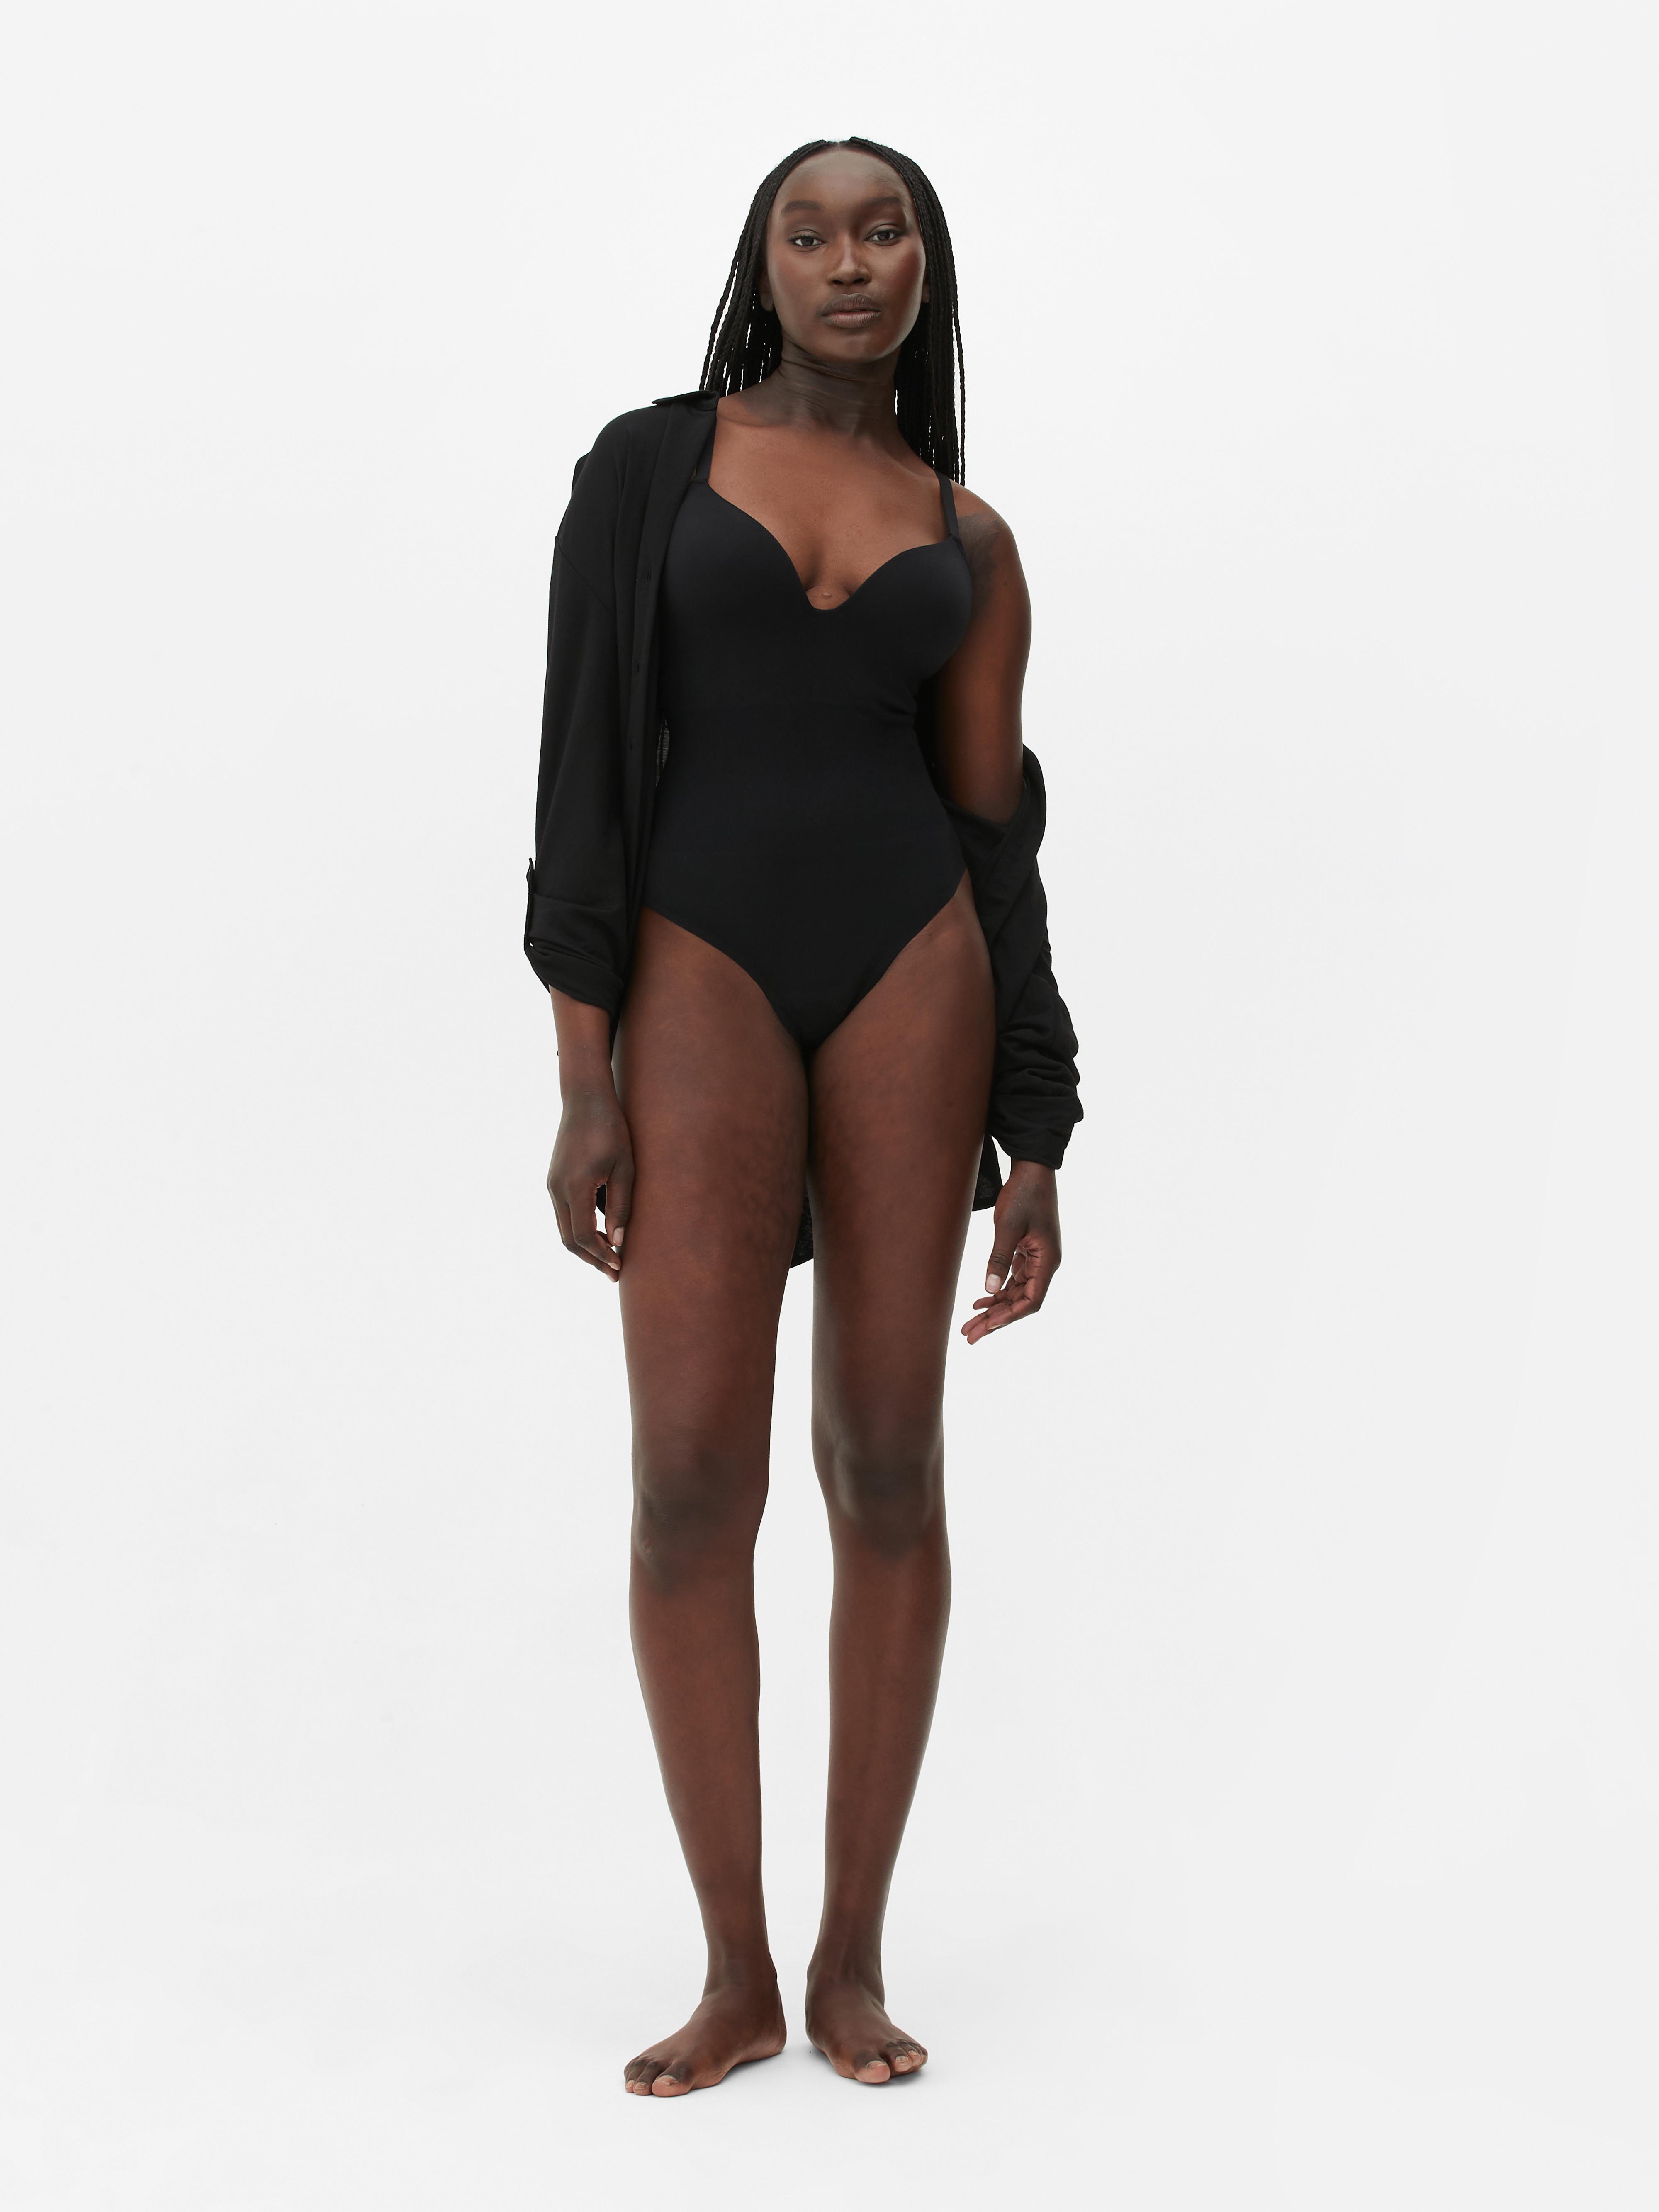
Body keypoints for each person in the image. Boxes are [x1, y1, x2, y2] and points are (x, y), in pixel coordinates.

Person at [523, 137, 1082, 2096]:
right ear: (761, 266)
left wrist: (1039, 1126)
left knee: (889, 1461)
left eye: (884, 229)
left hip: (913, 963)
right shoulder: (648, 471)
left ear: (925, 266)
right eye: (810, 231)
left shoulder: (969, 535)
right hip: (700, 960)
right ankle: (732, 1968)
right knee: (690, 1473)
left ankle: (848, 1958)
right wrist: (582, 1073)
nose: (849, 260)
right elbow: (580, 773)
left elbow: (994, 832)